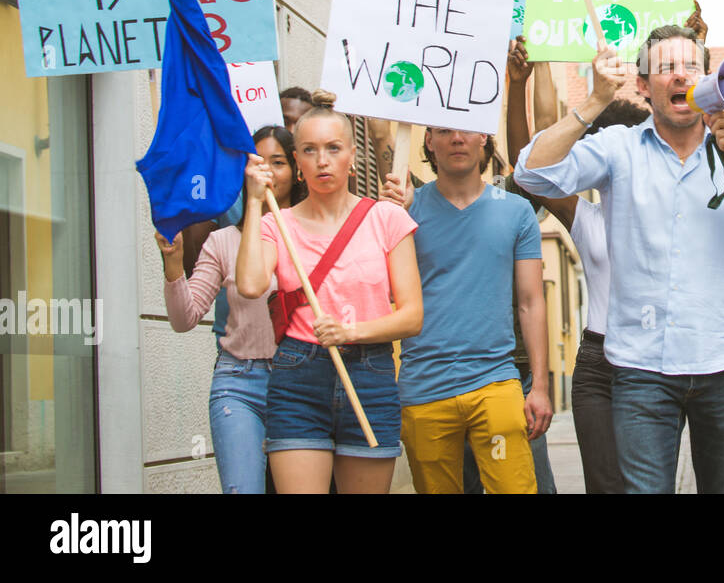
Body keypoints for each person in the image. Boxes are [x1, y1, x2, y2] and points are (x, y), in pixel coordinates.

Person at [516, 25, 724, 493]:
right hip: (639, 371)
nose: (680, 76)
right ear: (642, 85)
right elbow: (531, 173)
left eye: (690, 67)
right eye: (665, 68)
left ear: (707, 80)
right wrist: (593, 101)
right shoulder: (617, 150)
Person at [236, 90, 422, 493]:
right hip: (296, 375)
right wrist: (254, 204)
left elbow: (412, 316)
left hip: (369, 372)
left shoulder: (387, 218)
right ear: (298, 164)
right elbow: (250, 285)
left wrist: (350, 332)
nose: (322, 160)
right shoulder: (276, 223)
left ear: (352, 156)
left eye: (333, 148)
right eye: (309, 150)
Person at [503, 37, 650, 493]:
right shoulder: (585, 216)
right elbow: (524, 167)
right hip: (599, 366)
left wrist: (694, 54)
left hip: (656, 364)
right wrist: (516, 87)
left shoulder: (673, 209)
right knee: (605, 484)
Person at [381, 126, 552, 494]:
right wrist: (396, 218)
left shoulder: (517, 211)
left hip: (496, 383)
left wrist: (539, 385)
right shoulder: (404, 210)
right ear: (428, 142)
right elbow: (382, 286)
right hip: (424, 389)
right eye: (443, 131)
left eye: (467, 131)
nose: (457, 139)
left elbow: (530, 301)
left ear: (485, 138)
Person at [154, 125, 301, 493]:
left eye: (277, 162)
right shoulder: (221, 241)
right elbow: (184, 318)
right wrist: (172, 264)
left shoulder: (313, 232)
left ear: (297, 171)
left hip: (303, 385)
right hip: (240, 384)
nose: (263, 171)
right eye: (254, 163)